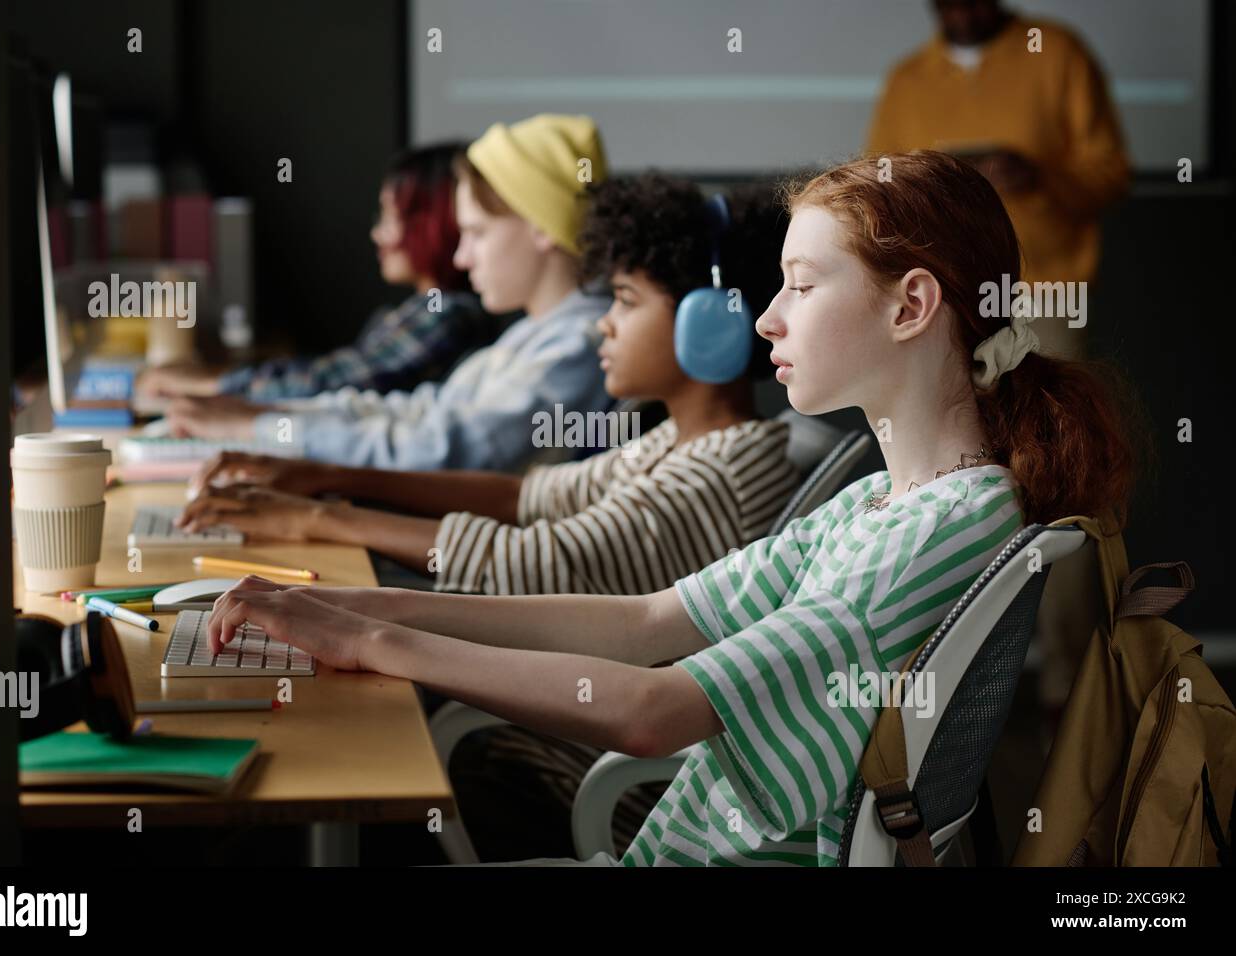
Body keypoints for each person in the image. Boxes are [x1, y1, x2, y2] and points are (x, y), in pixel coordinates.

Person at [200, 151, 1138, 866]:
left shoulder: (934, 528)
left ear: (911, 307)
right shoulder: (883, 501)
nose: (767, 317)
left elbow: (653, 709)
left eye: (801, 287)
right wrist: (363, 611)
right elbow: (647, 621)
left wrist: (373, 644)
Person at [177, 174, 800, 599]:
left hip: (556, 757)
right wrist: (329, 479)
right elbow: (526, 498)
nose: (605, 323)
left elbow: (531, 560)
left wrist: (317, 518)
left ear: (711, 326)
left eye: (627, 301)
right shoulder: (686, 441)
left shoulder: (719, 474)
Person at [162, 114, 614, 473]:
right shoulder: (532, 335)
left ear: (542, 227)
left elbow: (443, 450)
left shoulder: (575, 346)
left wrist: (262, 425)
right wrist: (270, 413)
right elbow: (420, 411)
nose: (461, 257)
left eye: (476, 232)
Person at [867, 0, 1129, 360]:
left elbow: (1110, 172)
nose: (961, 11)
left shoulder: (1057, 52)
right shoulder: (906, 80)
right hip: (943, 290)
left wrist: (1039, 177)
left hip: (1047, 291)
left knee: (1056, 412)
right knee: (958, 415)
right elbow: (882, 187)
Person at [139, 143, 493, 401]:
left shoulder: (448, 315)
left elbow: (334, 381)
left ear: (429, 226)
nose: (377, 234)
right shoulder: (423, 310)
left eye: (388, 217)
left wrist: (209, 383)